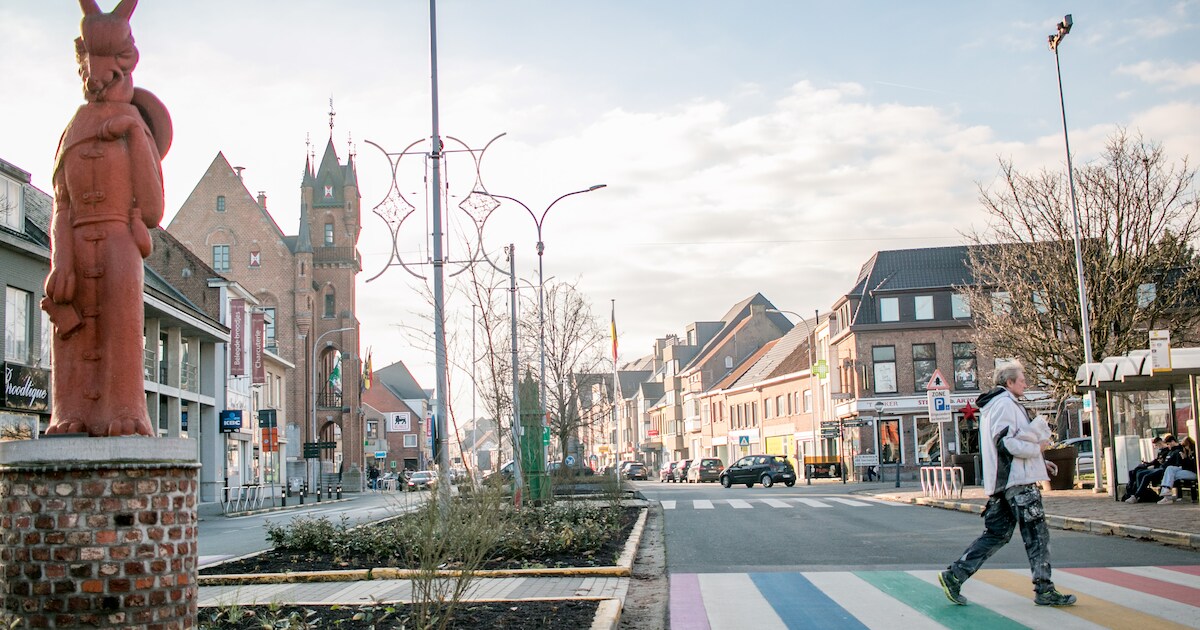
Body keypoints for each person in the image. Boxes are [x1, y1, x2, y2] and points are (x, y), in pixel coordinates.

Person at [939, 361, 1076, 607]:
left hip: (1003, 484)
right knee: (1037, 537)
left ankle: (954, 575)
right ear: (1009, 382)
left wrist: (1039, 462)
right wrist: (1038, 448)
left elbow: (1006, 445)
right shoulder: (1005, 405)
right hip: (1019, 484)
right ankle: (1044, 590)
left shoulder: (996, 405)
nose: (1025, 382)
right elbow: (1007, 444)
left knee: (996, 535)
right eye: (1022, 379)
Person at [1126, 435, 1181, 503]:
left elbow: (1176, 464)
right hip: (1161, 467)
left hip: (1164, 469)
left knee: (1146, 476)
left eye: (1168, 444)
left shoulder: (1177, 450)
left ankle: (1137, 495)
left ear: (1172, 442)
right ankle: (1137, 494)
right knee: (1139, 473)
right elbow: (1160, 461)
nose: (1168, 446)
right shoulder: (1170, 450)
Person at [1157, 437, 1197, 504]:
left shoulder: (1195, 453)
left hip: (1194, 473)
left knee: (1171, 473)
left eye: (1185, 446)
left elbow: (1192, 466)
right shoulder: (1185, 452)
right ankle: (1167, 493)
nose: (1184, 448)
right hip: (1187, 471)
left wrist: (1185, 459)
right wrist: (1184, 459)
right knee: (1170, 469)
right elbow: (1184, 466)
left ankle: (1167, 495)